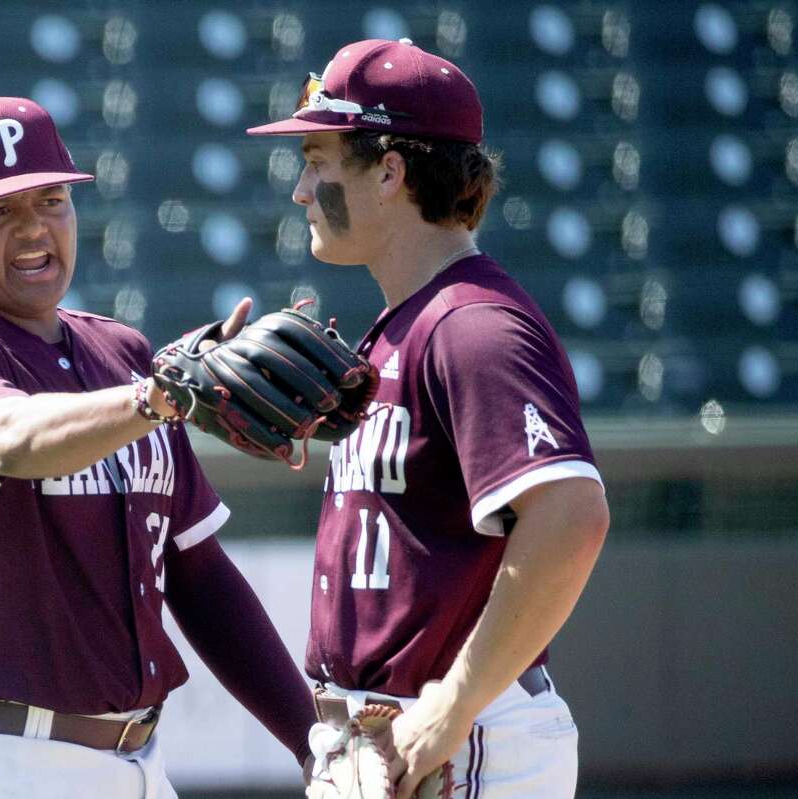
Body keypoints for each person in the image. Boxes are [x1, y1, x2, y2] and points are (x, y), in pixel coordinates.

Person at [0, 94, 315, 798]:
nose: (33, 229)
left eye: (51, 200)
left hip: (138, 762)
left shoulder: (124, 352)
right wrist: (156, 397)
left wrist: (311, 738)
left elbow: (197, 573)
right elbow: (13, 438)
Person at [248, 39, 610, 798]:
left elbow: (573, 515)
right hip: (388, 733)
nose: (301, 189)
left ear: (389, 171)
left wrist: (453, 706)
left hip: (459, 737)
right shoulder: (403, 323)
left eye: (318, 159)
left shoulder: (472, 324)